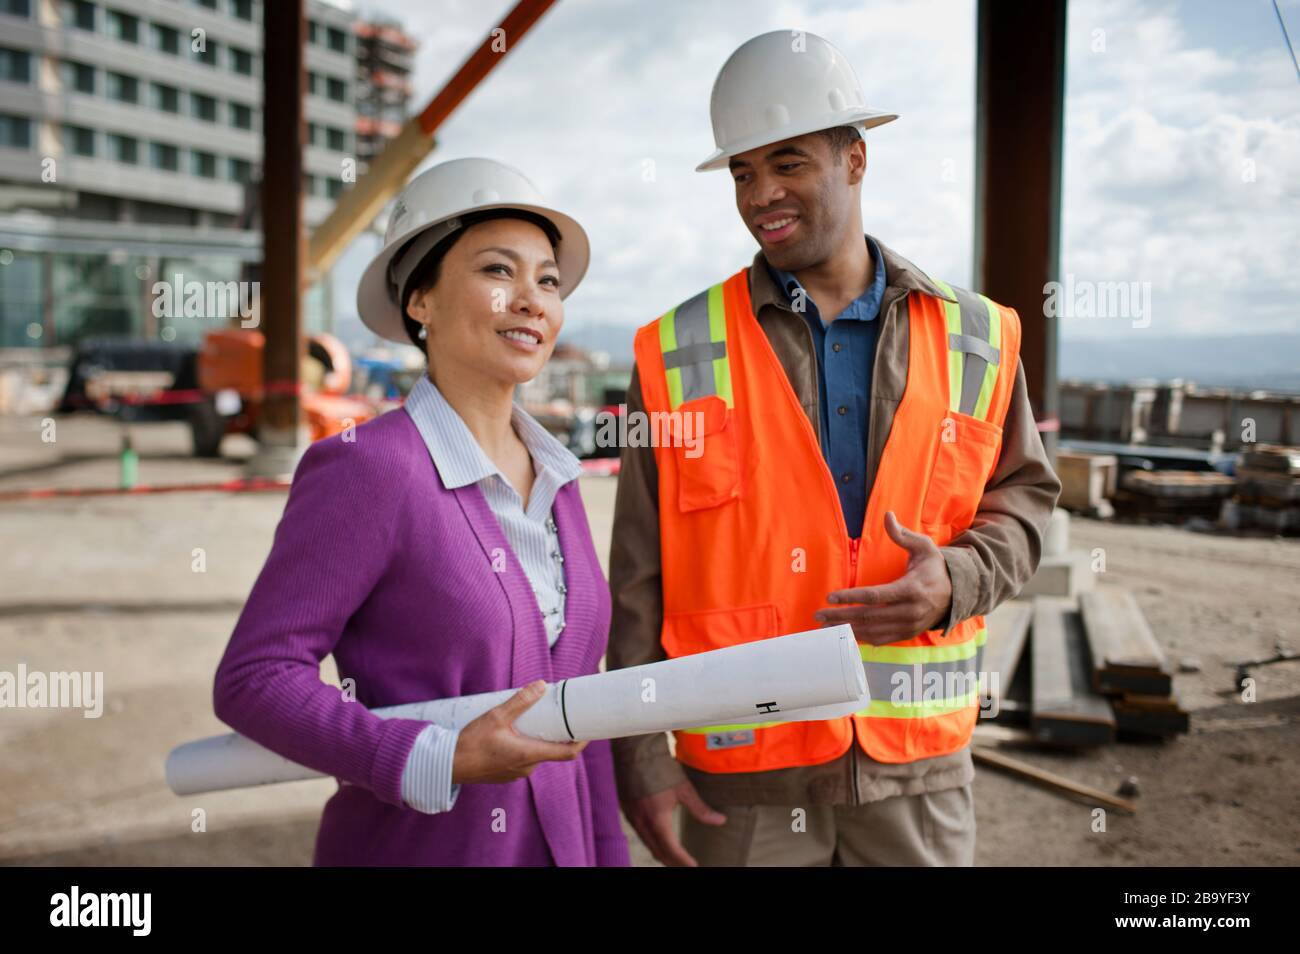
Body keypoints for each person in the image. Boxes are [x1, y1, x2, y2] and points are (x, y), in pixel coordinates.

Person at [608, 31, 1062, 866]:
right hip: (743, 782)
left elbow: (1025, 503)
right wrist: (638, 757)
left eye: (787, 163)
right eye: (742, 172)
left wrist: (956, 578)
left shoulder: (978, 337)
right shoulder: (675, 350)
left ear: (855, 160)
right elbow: (639, 572)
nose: (760, 194)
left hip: (917, 775)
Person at [213, 158, 630, 867]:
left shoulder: (560, 478)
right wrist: (430, 758)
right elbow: (256, 678)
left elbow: (576, 716)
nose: (532, 299)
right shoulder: (370, 467)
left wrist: (607, 853)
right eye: (499, 271)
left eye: (548, 280)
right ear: (421, 302)